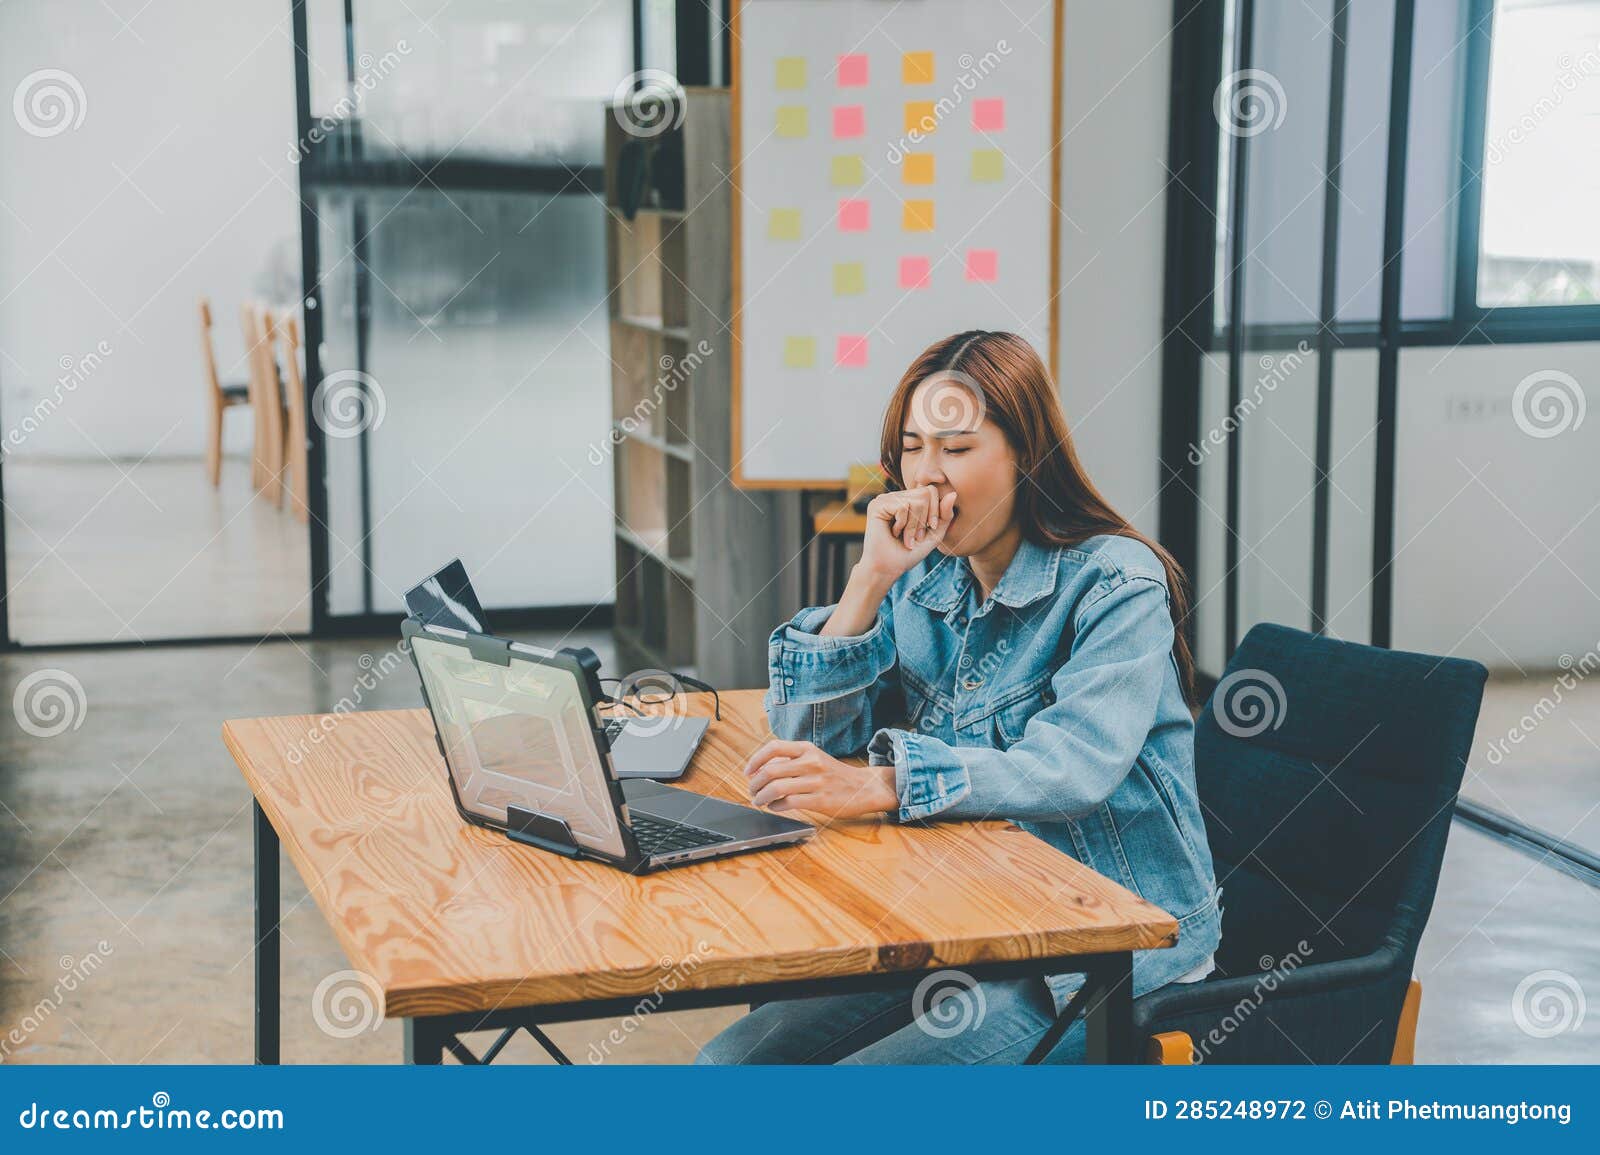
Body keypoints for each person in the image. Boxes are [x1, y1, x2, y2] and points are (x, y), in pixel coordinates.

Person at [697, 330, 1221, 1064]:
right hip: (962, 918)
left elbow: (1072, 768)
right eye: (912, 447)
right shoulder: (924, 574)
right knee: (726, 1066)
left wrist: (884, 783)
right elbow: (812, 737)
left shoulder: (1116, 584)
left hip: (1100, 951)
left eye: (957, 448)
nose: (926, 477)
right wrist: (869, 579)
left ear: (1026, 456)